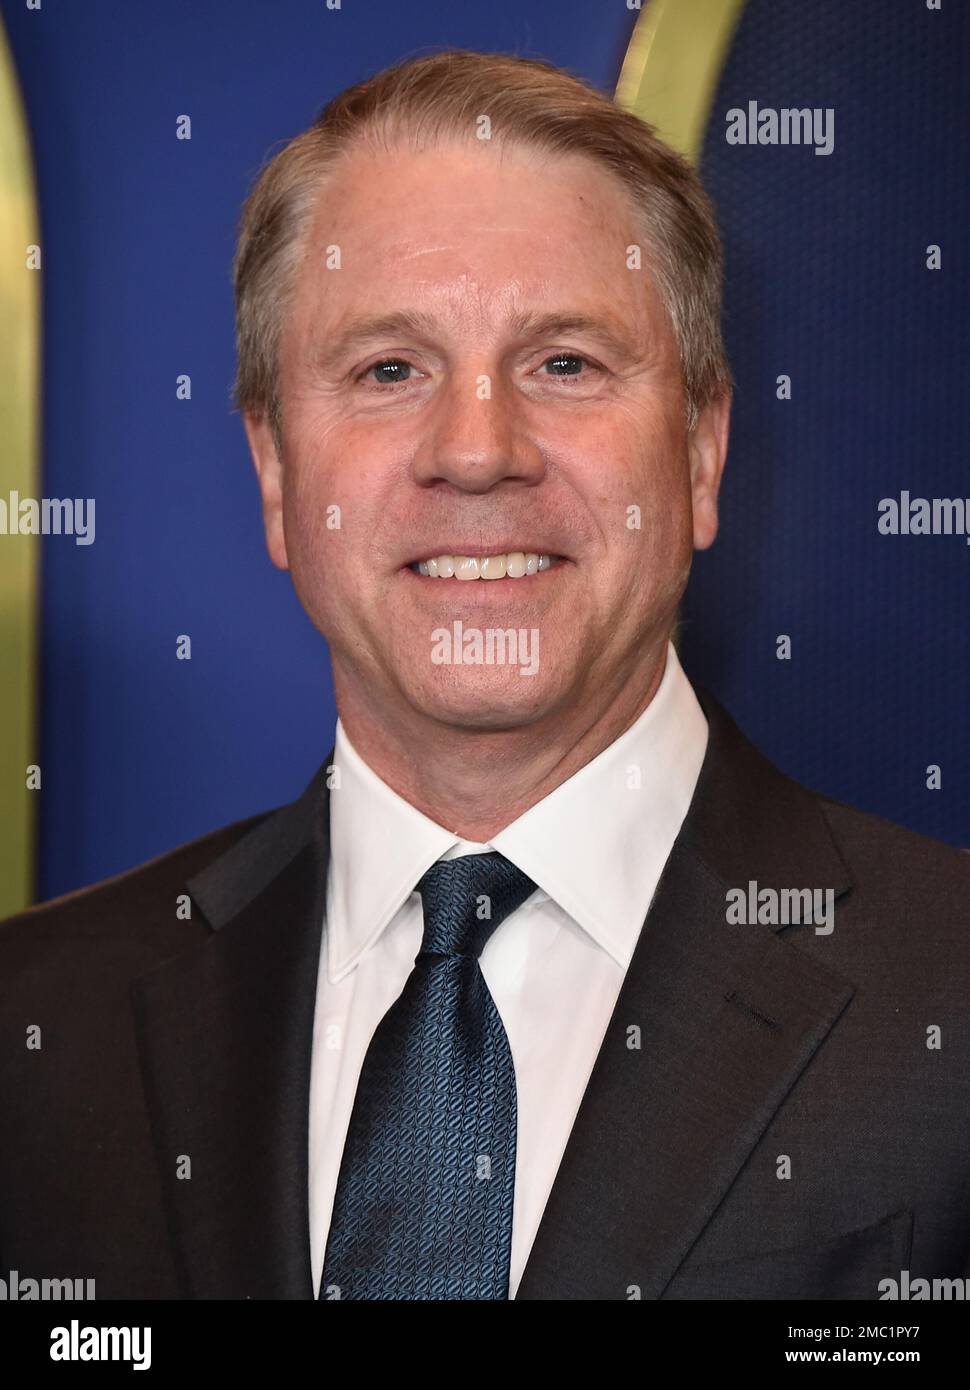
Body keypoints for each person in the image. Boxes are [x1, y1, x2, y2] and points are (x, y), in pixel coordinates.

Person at [1, 48, 968, 1302]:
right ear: (278, 476)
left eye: (564, 361)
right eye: (387, 369)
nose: (475, 450)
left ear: (701, 451)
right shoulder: (34, 1030)